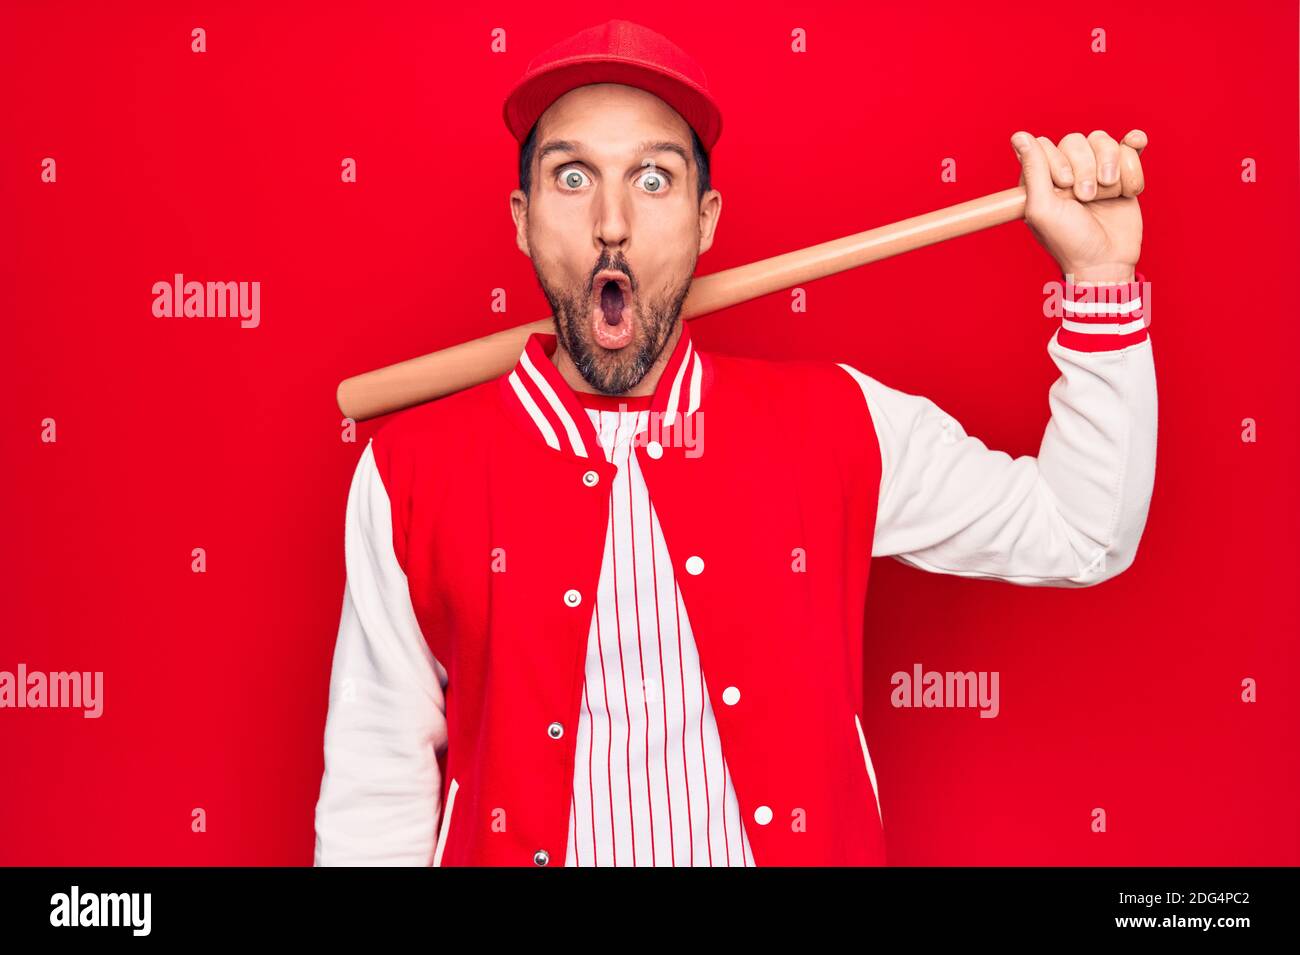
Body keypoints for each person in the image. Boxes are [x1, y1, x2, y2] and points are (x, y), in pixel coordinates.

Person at [313, 19, 1156, 866]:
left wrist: (1099, 279)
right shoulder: (410, 473)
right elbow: (376, 780)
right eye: (573, 177)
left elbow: (1081, 532)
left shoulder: (842, 424)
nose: (613, 223)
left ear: (706, 219)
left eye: (653, 178)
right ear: (523, 219)